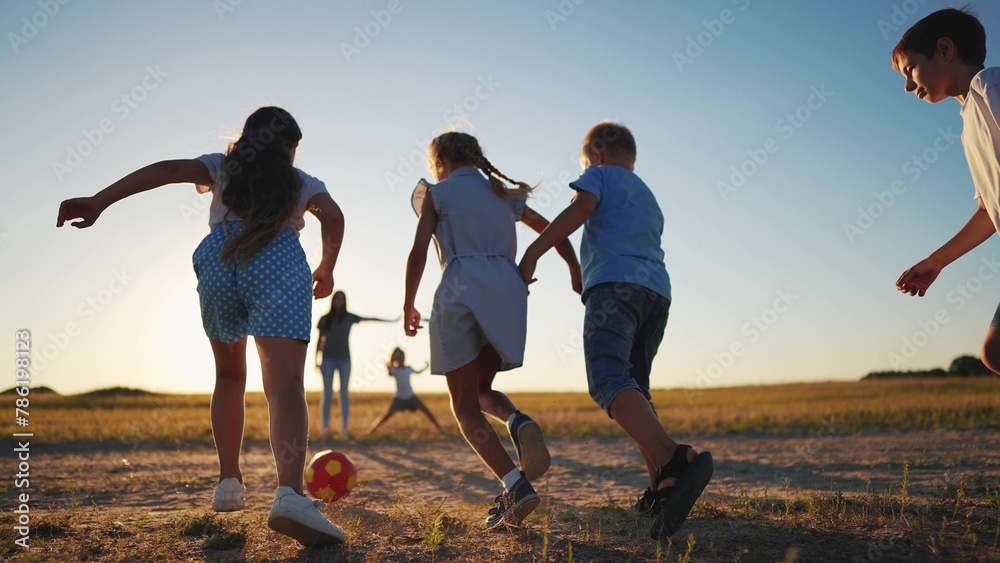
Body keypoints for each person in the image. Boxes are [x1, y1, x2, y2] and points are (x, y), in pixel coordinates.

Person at [56, 107, 347, 546]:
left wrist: (100, 200)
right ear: (290, 148)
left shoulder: (221, 166)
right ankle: (289, 493)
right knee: (284, 383)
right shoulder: (303, 181)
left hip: (218, 260)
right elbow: (334, 216)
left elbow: (167, 170)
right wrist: (326, 266)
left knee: (229, 375)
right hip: (277, 260)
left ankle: (229, 483)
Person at [518, 122, 713, 540]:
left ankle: (673, 459)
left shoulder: (599, 175)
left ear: (598, 155)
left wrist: (535, 251)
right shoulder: (648, 194)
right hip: (656, 294)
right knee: (635, 389)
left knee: (608, 378)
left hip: (614, 287)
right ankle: (663, 485)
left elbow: (580, 209)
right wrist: (578, 269)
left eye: (587, 160)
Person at [403, 131, 581, 529]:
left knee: (464, 406)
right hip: (507, 288)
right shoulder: (505, 195)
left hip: (460, 286)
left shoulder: (438, 193)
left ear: (440, 162)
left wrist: (408, 302)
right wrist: (574, 268)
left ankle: (516, 485)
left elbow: (419, 250)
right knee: (482, 389)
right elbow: (552, 229)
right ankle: (517, 421)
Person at [893, 8, 1000, 373]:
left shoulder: (991, 86)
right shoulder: (969, 123)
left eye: (910, 70)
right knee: (996, 351)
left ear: (944, 50)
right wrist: (936, 262)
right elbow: (989, 212)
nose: (908, 86)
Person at [315, 291, 396, 438]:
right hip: (328, 359)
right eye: (337, 298)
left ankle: (344, 428)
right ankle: (325, 428)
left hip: (345, 359)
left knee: (344, 393)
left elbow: (369, 319)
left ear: (345, 301)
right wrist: (316, 360)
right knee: (327, 393)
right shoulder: (325, 319)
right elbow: (319, 340)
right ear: (333, 300)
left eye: (342, 299)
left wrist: (391, 320)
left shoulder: (349, 317)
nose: (339, 301)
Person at [366, 347, 444, 435]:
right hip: (399, 398)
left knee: (426, 411)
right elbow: (389, 370)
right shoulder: (394, 370)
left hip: (411, 396)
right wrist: (391, 361)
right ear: (394, 358)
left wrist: (426, 367)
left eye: (402, 357)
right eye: (398, 357)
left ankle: (440, 429)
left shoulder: (408, 368)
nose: (401, 359)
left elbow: (418, 372)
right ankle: (371, 431)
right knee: (386, 415)